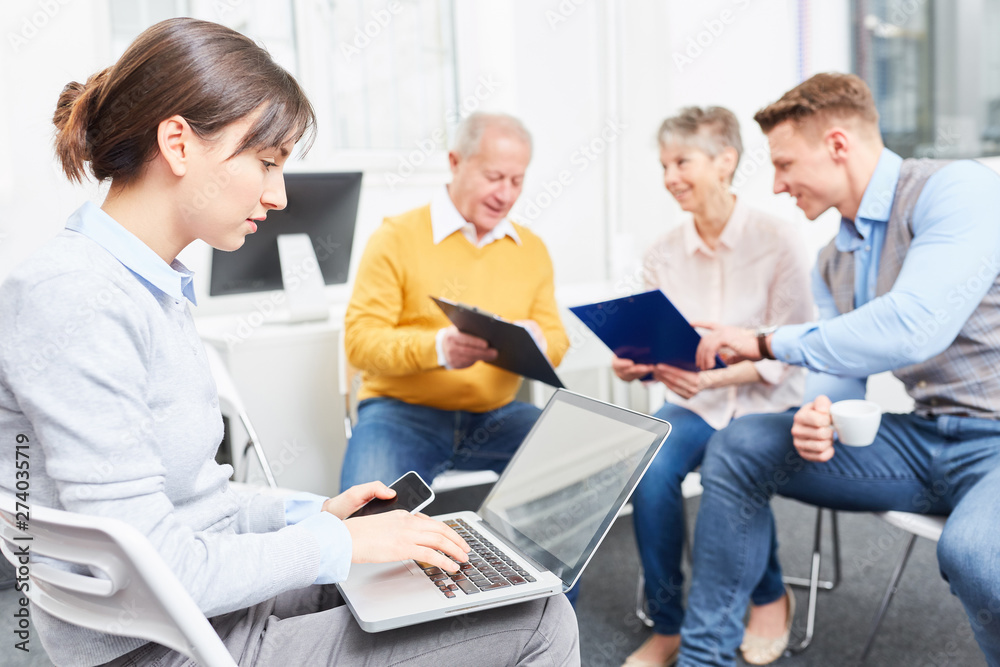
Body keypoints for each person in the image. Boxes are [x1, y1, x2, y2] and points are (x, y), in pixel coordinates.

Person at [0, 18, 578, 667]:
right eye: (267, 162)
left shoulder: (145, 287)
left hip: (205, 610)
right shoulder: (77, 298)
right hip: (173, 641)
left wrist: (312, 512)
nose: (278, 195)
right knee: (540, 617)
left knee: (461, 580)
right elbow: (158, 566)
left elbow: (201, 502)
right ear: (178, 142)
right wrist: (334, 543)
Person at [675, 73, 1000, 667]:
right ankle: (704, 659)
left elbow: (913, 325)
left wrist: (766, 342)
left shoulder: (955, 191)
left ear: (838, 144)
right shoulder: (833, 259)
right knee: (740, 443)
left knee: (977, 553)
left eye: (784, 164)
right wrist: (816, 413)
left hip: (994, 446)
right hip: (922, 438)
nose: (775, 186)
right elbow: (840, 375)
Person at [614, 107, 813, 667]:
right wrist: (634, 365)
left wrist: (715, 373)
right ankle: (669, 624)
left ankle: (770, 596)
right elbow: (653, 344)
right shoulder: (663, 252)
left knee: (736, 456)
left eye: (682, 162)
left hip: (768, 402)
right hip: (696, 403)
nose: (670, 176)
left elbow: (789, 351)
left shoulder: (780, 240)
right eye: (663, 164)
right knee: (650, 467)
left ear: (725, 161)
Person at [339, 112, 569, 491]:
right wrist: (439, 348)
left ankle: (510, 551)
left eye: (517, 181)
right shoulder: (395, 237)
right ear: (455, 162)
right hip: (401, 415)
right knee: (364, 518)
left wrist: (536, 340)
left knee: (579, 468)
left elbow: (557, 344)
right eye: (494, 178)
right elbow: (360, 343)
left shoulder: (532, 250)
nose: (505, 194)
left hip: (496, 417)